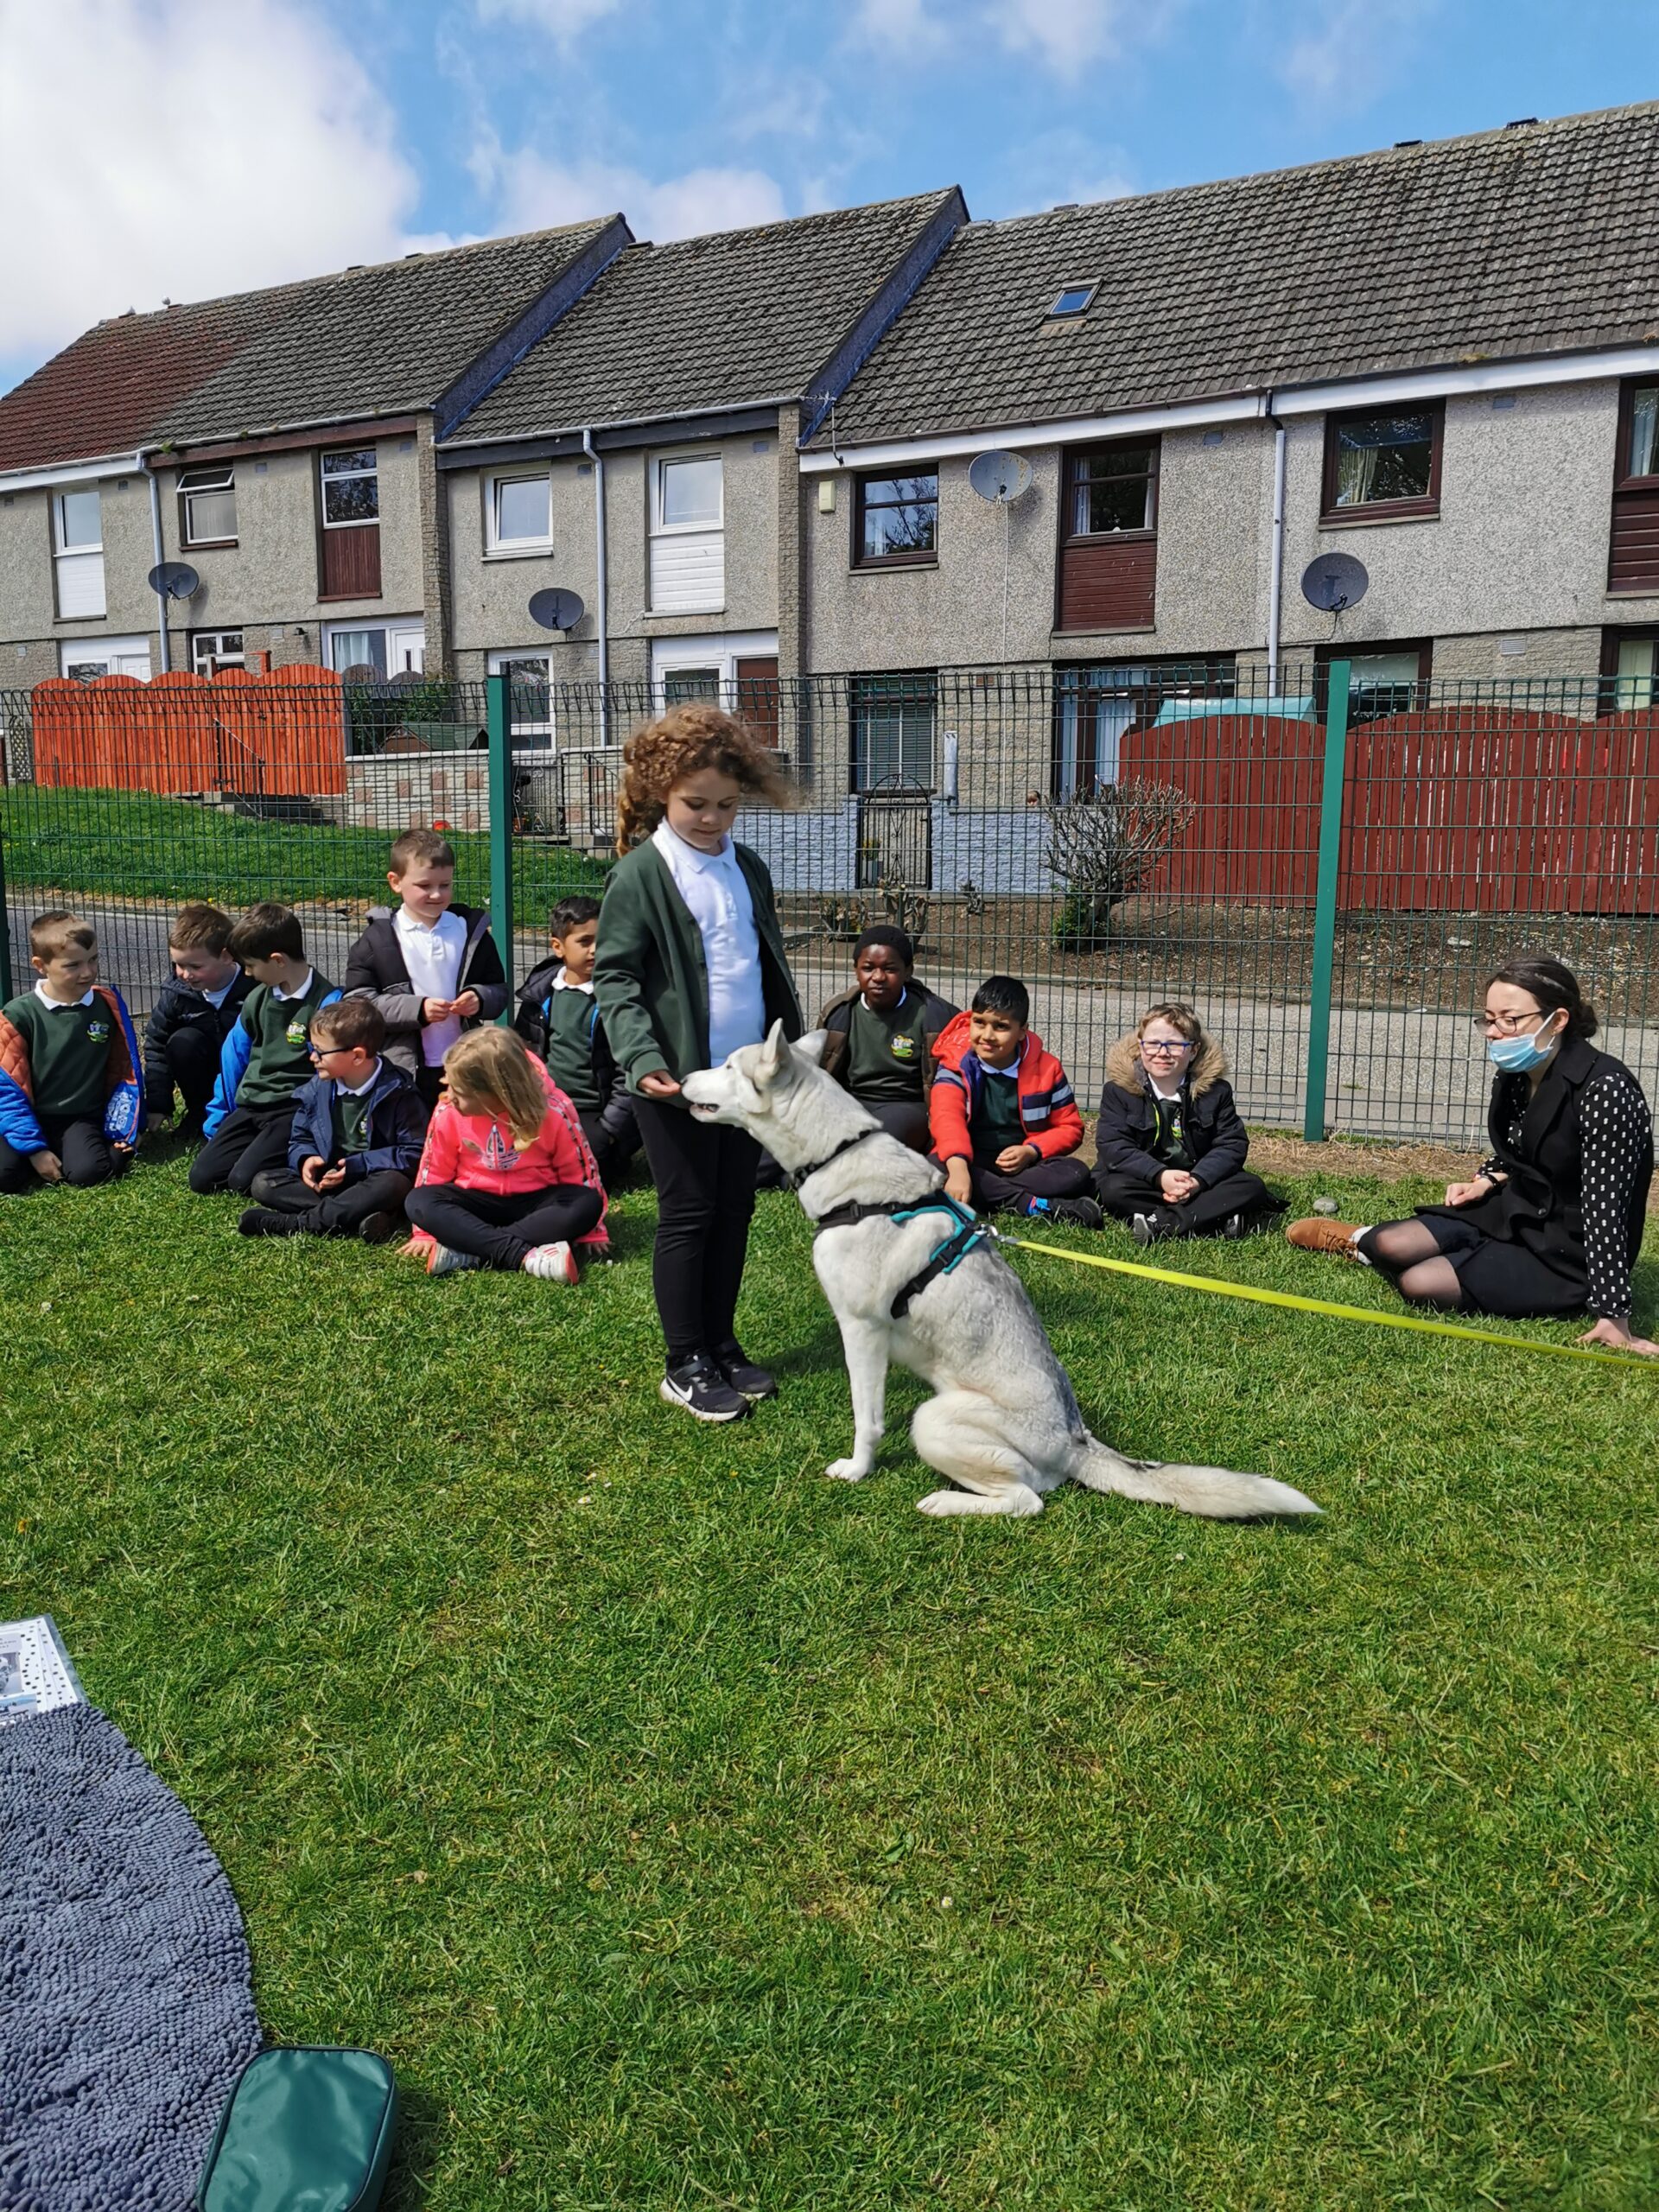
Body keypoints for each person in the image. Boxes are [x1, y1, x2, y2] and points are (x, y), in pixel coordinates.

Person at [591, 702, 802, 1422]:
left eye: (726, 805)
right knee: (689, 1212)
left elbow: (758, 962)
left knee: (735, 1209)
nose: (712, 819)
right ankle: (684, 1362)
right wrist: (642, 1055)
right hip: (676, 1080)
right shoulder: (640, 876)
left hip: (746, 1083)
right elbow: (616, 978)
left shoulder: (748, 867)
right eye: (696, 805)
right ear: (661, 794)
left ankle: (721, 1343)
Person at [1287, 955, 1656, 1355]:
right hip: (1515, 1210)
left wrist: (1613, 1313)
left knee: (1419, 1283)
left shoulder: (1607, 1090)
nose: (1494, 1033)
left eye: (1509, 1020)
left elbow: (1607, 1207)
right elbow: (1520, 1147)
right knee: (1391, 1244)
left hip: (1567, 1251)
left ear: (1558, 1020)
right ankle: (1361, 1240)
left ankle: (1461, 1255)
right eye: (1489, 1019)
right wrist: (1487, 1180)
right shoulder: (1518, 1074)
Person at [404, 1026, 607, 1282]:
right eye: (449, 1085)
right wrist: (424, 1233)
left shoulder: (554, 1110)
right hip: (476, 1203)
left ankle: (470, 1250)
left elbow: (580, 1172)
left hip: (536, 1206)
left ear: (497, 1094)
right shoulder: (447, 1111)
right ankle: (525, 1255)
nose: (450, 1096)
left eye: (461, 1092)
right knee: (419, 1201)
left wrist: (594, 1231)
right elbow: (433, 1170)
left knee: (587, 1202)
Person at [342, 828, 507, 1110]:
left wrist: (479, 998)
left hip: (463, 1065)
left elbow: (499, 990)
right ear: (395, 882)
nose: (436, 894)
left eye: (445, 884)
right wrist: (417, 1009)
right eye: (424, 885)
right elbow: (357, 1004)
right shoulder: (378, 939)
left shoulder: (470, 933)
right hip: (402, 1069)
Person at [238, 998, 427, 1243]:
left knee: (393, 1183)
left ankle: (296, 1223)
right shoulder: (318, 1087)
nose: (312, 1057)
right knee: (264, 1183)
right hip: (331, 1181)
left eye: (320, 1051)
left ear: (357, 1056)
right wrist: (305, 1158)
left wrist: (359, 1165)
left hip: (371, 1178)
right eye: (311, 1048)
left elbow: (415, 1152)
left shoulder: (398, 1092)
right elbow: (301, 1136)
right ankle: (357, 1216)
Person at [1093, 1001, 1285, 1243]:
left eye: (1174, 1045)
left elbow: (1232, 1145)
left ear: (1193, 1050)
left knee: (1250, 1186)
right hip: (1147, 1180)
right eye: (1152, 1044)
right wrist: (1160, 1176)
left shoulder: (1217, 1092)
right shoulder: (1117, 1091)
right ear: (1140, 1046)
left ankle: (1161, 1222)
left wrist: (1196, 1181)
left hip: (1198, 1181)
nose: (1162, 1053)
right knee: (1113, 1188)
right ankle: (1214, 1218)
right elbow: (1113, 1146)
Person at [190, 904, 340, 1197]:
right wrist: (218, 1119)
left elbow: (330, 1075)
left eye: (250, 965)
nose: (247, 973)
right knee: (202, 1178)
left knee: (241, 1180)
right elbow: (233, 1059)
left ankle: (294, 1163)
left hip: (292, 1109)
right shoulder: (257, 1000)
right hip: (251, 1105)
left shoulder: (327, 1003)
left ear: (277, 960)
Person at [930, 976, 1103, 1226]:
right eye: (979, 1022)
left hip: (1022, 1165)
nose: (987, 1035)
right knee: (934, 1168)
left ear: (1022, 1031)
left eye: (1001, 1026)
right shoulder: (956, 1064)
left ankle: (986, 1194)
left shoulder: (1047, 1068)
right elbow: (947, 1119)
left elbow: (1070, 1127)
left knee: (1076, 1172)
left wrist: (1031, 1151)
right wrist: (958, 1170)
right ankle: (1032, 1204)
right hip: (968, 1159)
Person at [0, 911, 143, 1192]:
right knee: (4, 1176)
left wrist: (130, 1127)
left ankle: (94, 1151)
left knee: (89, 1173)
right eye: (73, 965)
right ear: (41, 966)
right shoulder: (17, 1015)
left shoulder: (107, 1005)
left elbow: (127, 1068)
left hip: (79, 1118)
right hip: (28, 1115)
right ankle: (40, 1153)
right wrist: (34, 1150)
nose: (88, 972)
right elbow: (6, 1089)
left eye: (93, 959)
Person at [516, 894, 641, 1190]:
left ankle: (607, 1156)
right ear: (558, 946)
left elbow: (629, 1072)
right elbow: (524, 1055)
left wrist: (610, 1129)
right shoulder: (541, 996)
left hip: (597, 1112)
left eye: (602, 940)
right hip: (550, 1106)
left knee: (583, 1161)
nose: (595, 949)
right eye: (584, 942)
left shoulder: (619, 998)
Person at [817, 925, 957, 1152]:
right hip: (852, 1101)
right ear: (856, 970)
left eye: (890, 969)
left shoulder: (935, 1016)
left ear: (908, 971)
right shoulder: (839, 1014)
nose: (878, 977)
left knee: (873, 1141)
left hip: (907, 1107)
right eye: (868, 968)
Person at [143, 903, 251, 1141]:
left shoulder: (253, 989)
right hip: (204, 1074)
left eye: (195, 966)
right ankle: (199, 1114)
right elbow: (156, 1044)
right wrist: (158, 1103)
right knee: (182, 1042)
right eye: (179, 965)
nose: (185, 974)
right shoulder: (177, 994)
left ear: (226, 956)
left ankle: (243, 1116)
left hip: (244, 1079)